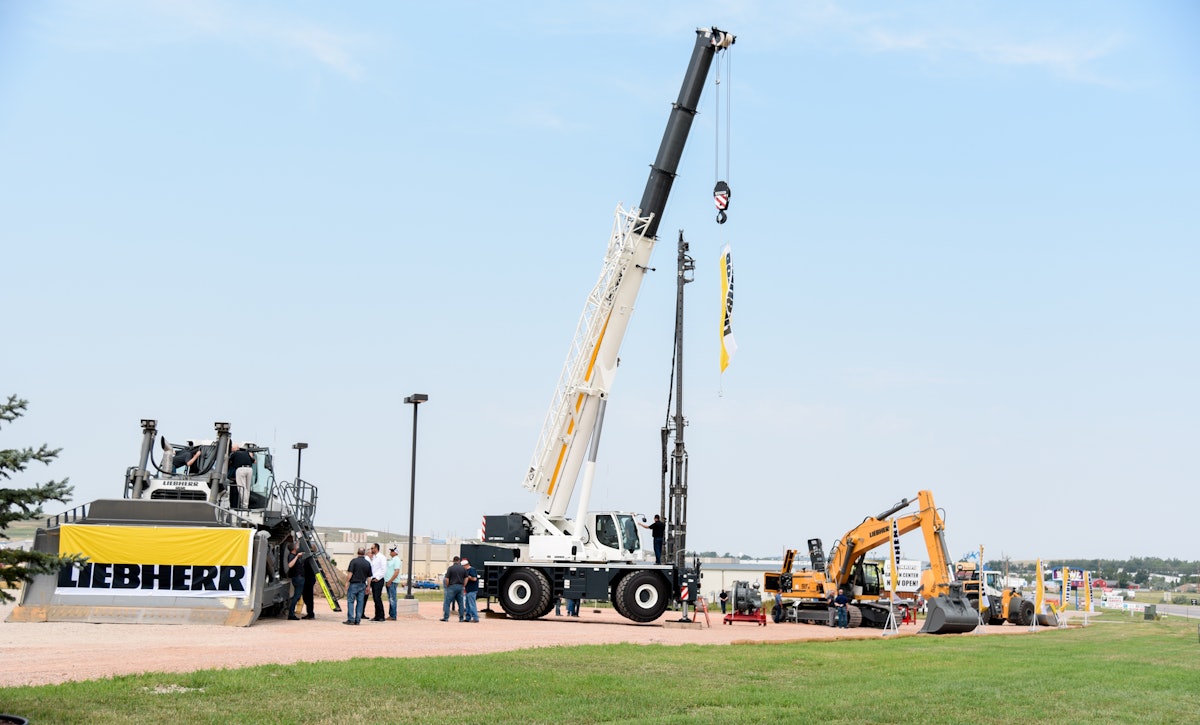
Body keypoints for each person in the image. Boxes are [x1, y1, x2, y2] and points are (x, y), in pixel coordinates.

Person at [344, 547, 372, 625]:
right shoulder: (367, 563)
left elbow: (350, 573)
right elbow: (369, 577)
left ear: (357, 552)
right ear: (364, 553)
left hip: (354, 584)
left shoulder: (353, 561)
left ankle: (351, 619)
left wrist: (347, 582)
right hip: (363, 584)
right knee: (360, 602)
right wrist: (368, 586)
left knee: (351, 601)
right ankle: (358, 619)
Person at [227, 443, 255, 509]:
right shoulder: (246, 453)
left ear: (234, 449)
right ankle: (246, 505)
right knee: (247, 489)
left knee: (242, 488)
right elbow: (254, 461)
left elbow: (228, 461)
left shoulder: (234, 454)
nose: (231, 449)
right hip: (250, 469)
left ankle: (244, 506)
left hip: (241, 469)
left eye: (232, 448)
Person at [441, 556, 467, 622]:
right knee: (461, 603)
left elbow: (447, 579)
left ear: (453, 561)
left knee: (447, 603)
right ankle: (461, 618)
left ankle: (446, 618)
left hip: (452, 587)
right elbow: (466, 578)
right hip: (460, 587)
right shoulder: (463, 568)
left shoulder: (450, 568)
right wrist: (464, 585)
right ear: (459, 561)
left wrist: (447, 585)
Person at [285, 541, 305, 620]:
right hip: (298, 578)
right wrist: (297, 557)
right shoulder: (292, 556)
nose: (297, 547)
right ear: (293, 549)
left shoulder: (294, 555)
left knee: (297, 596)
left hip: (299, 578)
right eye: (296, 546)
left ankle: (291, 613)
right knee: (296, 597)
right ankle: (291, 614)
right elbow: (290, 565)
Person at [368, 543, 387, 622]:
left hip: (378, 580)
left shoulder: (381, 557)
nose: (371, 550)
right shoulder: (374, 557)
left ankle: (381, 616)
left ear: (376, 548)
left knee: (377, 598)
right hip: (373, 579)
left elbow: (384, 569)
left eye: (372, 548)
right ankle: (377, 616)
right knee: (375, 598)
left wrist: (378, 578)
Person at [384, 545, 402, 620]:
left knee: (392, 599)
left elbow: (396, 571)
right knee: (390, 598)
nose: (390, 552)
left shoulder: (397, 560)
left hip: (392, 582)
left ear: (395, 552)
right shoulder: (392, 559)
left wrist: (390, 581)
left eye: (392, 551)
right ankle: (391, 614)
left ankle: (393, 615)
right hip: (389, 581)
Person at [462, 558, 480, 623]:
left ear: (466, 565)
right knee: (467, 605)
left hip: (472, 590)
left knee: (472, 604)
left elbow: (474, 579)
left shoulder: (472, 570)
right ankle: (468, 617)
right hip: (468, 590)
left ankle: (475, 617)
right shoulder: (466, 571)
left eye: (463, 566)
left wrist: (468, 577)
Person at [301, 553, 317, 619]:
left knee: (307, 597)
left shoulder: (309, 560)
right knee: (309, 597)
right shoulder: (313, 559)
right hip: (310, 579)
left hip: (308, 580)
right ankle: (310, 613)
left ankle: (310, 614)